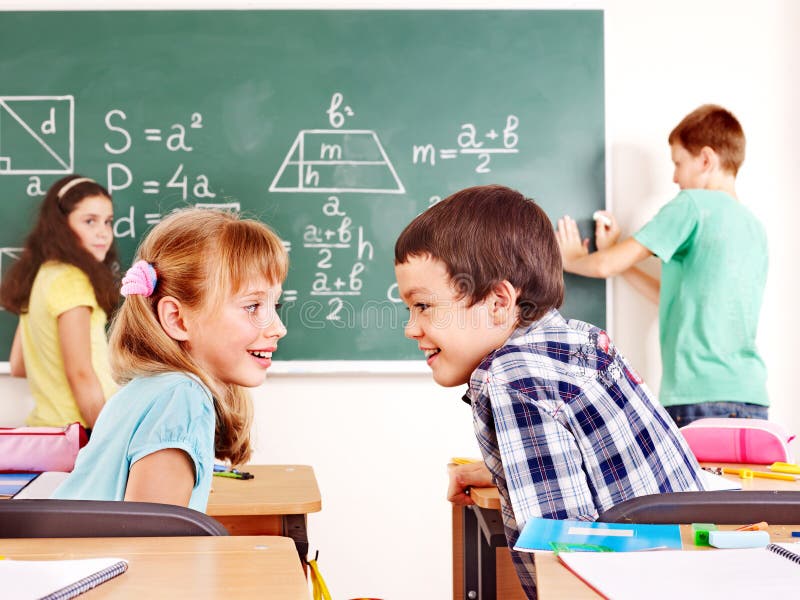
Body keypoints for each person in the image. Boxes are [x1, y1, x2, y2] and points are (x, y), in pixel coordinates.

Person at [394, 184, 704, 598]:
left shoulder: (510, 378)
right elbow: (597, 460)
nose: (411, 328)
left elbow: (564, 555)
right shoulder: (578, 340)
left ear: (499, 302)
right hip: (695, 572)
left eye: (424, 306)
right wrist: (503, 467)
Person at [53, 208, 287, 511]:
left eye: (275, 304)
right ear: (177, 318)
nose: (278, 328)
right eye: (253, 306)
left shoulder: (156, 388)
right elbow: (152, 545)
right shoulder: (181, 400)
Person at [556, 104, 768, 426]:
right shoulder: (754, 227)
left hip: (698, 398)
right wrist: (616, 256)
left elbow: (603, 267)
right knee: (743, 481)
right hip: (752, 399)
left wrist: (572, 260)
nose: (674, 177)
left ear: (706, 159)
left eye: (679, 163)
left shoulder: (692, 205)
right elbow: (666, 296)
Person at [1, 175, 120, 431]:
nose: (103, 232)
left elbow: (19, 366)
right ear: (61, 226)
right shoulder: (72, 281)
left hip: (51, 430)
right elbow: (80, 374)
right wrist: (111, 439)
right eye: (89, 221)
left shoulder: (41, 276)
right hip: (80, 431)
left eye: (108, 222)